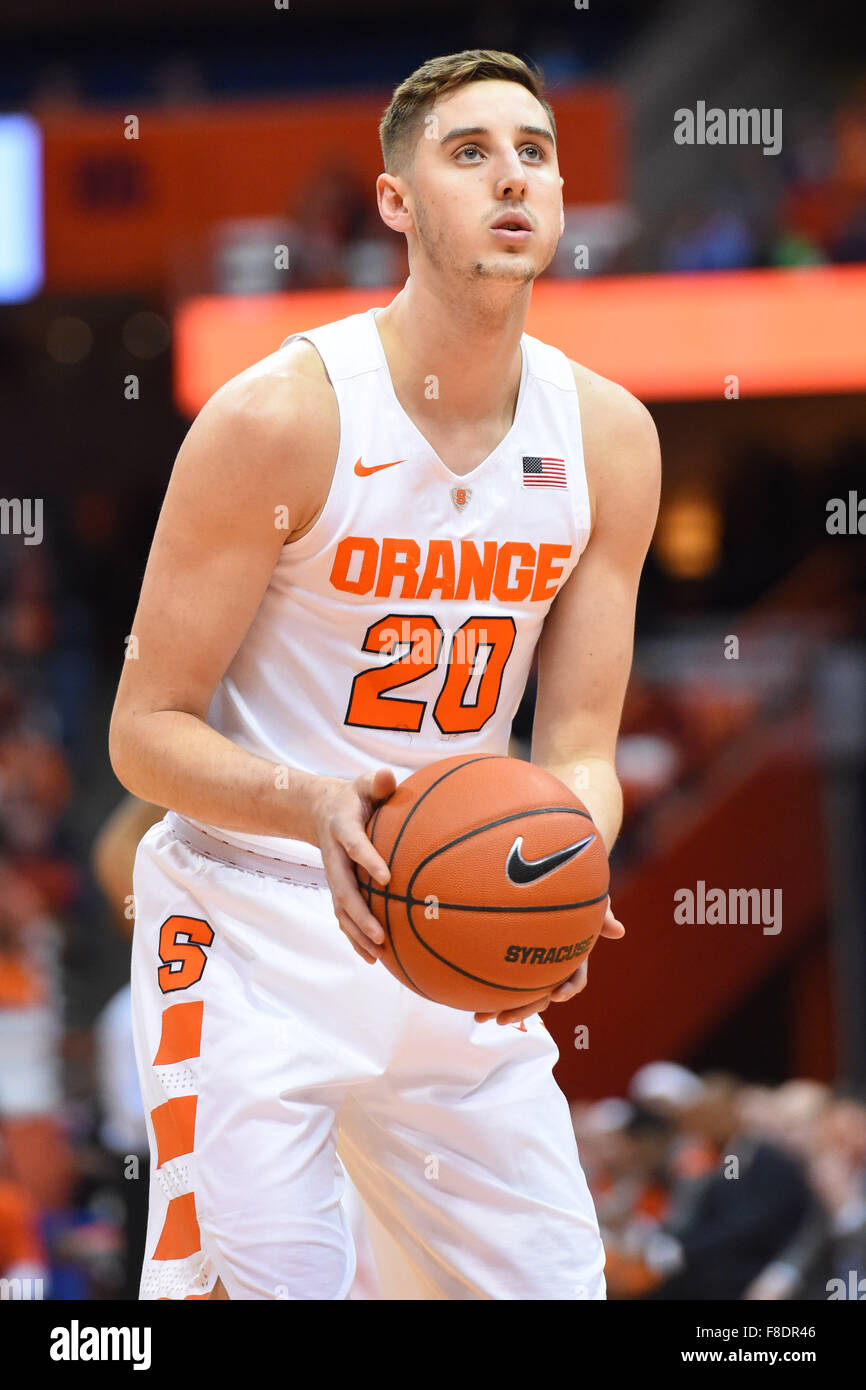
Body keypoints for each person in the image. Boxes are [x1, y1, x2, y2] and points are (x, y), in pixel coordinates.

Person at [108, 48, 661, 1301]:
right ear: (395, 201)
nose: (510, 177)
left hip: (451, 940)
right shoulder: (279, 419)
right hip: (254, 922)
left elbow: (578, 748)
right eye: (468, 153)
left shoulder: (609, 439)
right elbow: (143, 733)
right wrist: (312, 804)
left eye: (533, 151)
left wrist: (567, 865)